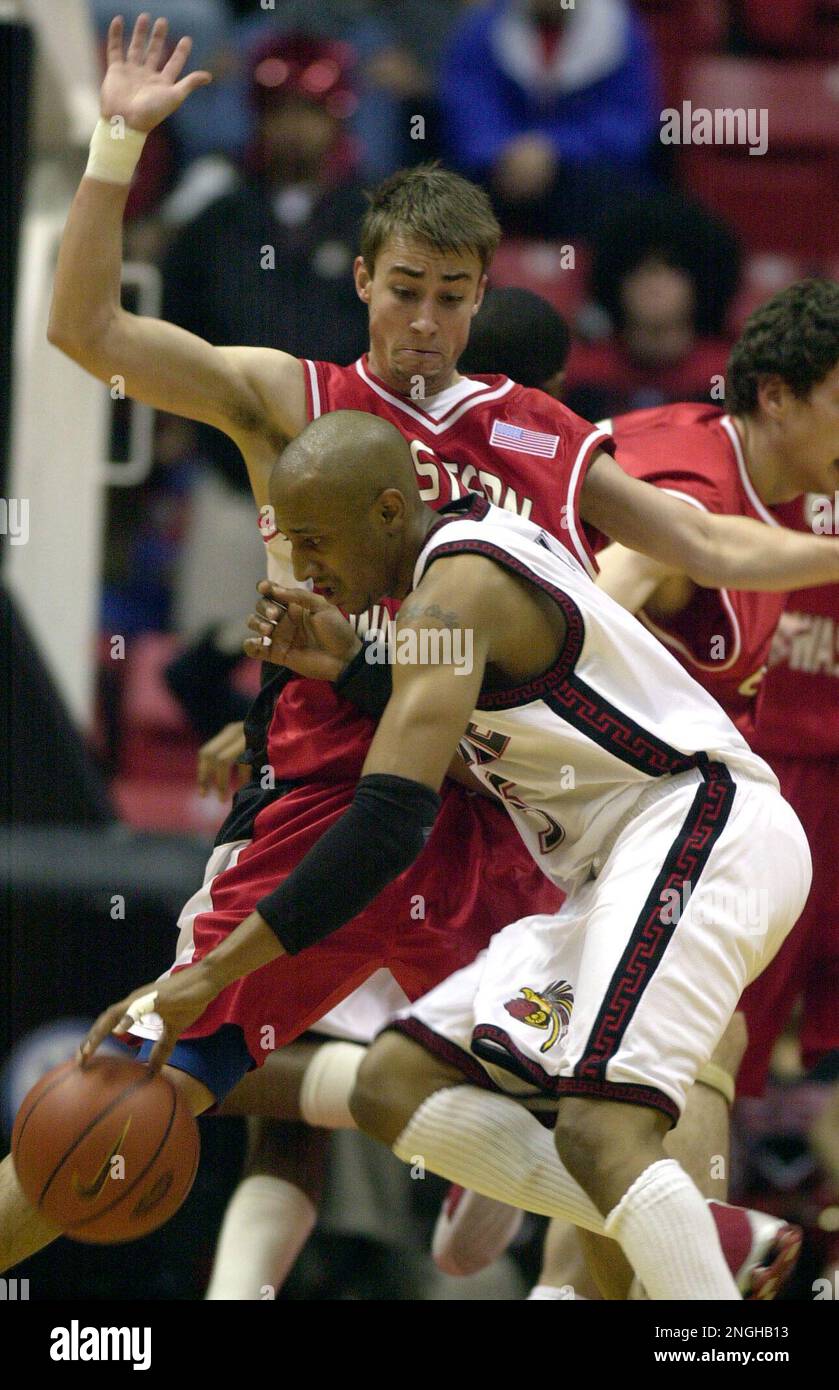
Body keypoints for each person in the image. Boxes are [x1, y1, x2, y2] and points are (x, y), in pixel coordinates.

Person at [10, 11, 836, 1288]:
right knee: (144, 1076)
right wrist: (116, 141)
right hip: (342, 795)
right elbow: (88, 336)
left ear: (483, 296)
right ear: (362, 281)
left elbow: (705, 540)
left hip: (514, 814)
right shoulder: (299, 400)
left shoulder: (539, 430)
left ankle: (646, 1255)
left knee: (658, 1085)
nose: (425, 325)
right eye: (405, 292)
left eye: (453, 300)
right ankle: (630, 1225)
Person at [80, 407, 812, 1302]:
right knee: (393, 1081)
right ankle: (711, 1234)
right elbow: (460, 704)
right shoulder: (453, 563)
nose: (304, 567)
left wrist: (207, 973)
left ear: (390, 511)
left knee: (599, 1131)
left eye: (316, 541)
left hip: (699, 825)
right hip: (619, 862)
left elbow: (387, 822)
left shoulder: (451, 593)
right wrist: (352, 669)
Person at [438, 0, 660, 237]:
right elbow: (467, 107)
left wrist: (552, 149)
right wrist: (503, 150)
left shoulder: (619, 31)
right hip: (497, 170)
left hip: (585, 178)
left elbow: (629, 123)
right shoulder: (484, 28)